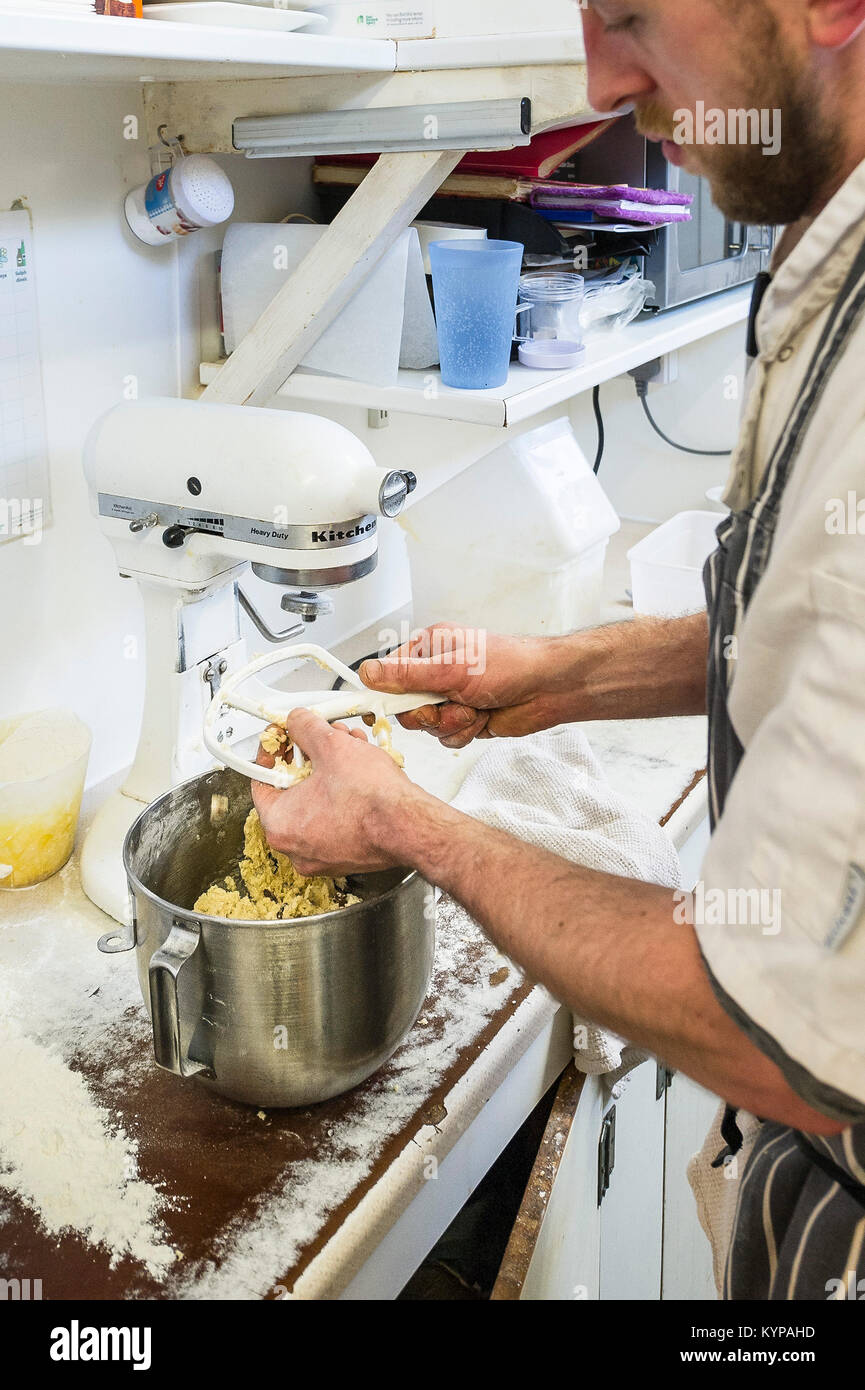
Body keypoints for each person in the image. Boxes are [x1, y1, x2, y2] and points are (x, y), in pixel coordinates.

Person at [253, 0, 865, 1299]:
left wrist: (416, 828)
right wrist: (559, 672)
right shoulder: (826, 259)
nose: (597, 78)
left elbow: (778, 1031)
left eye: (631, 14)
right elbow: (802, 619)